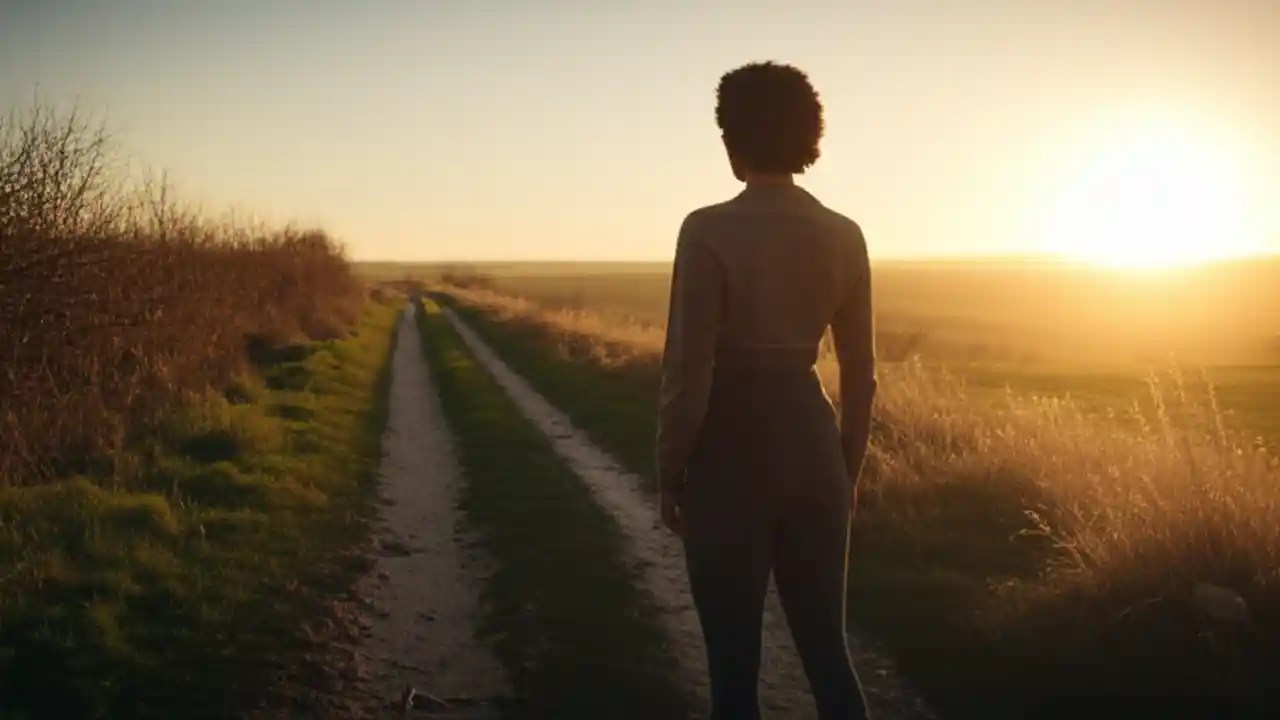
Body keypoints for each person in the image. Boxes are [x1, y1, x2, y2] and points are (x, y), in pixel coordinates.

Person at [656, 61, 877, 719]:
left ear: (732, 139)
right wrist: (847, 473)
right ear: (810, 137)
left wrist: (670, 470)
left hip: (730, 454)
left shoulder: (707, 229)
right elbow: (861, 374)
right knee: (828, 655)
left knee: (734, 671)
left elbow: (687, 372)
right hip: (815, 448)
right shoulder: (845, 235)